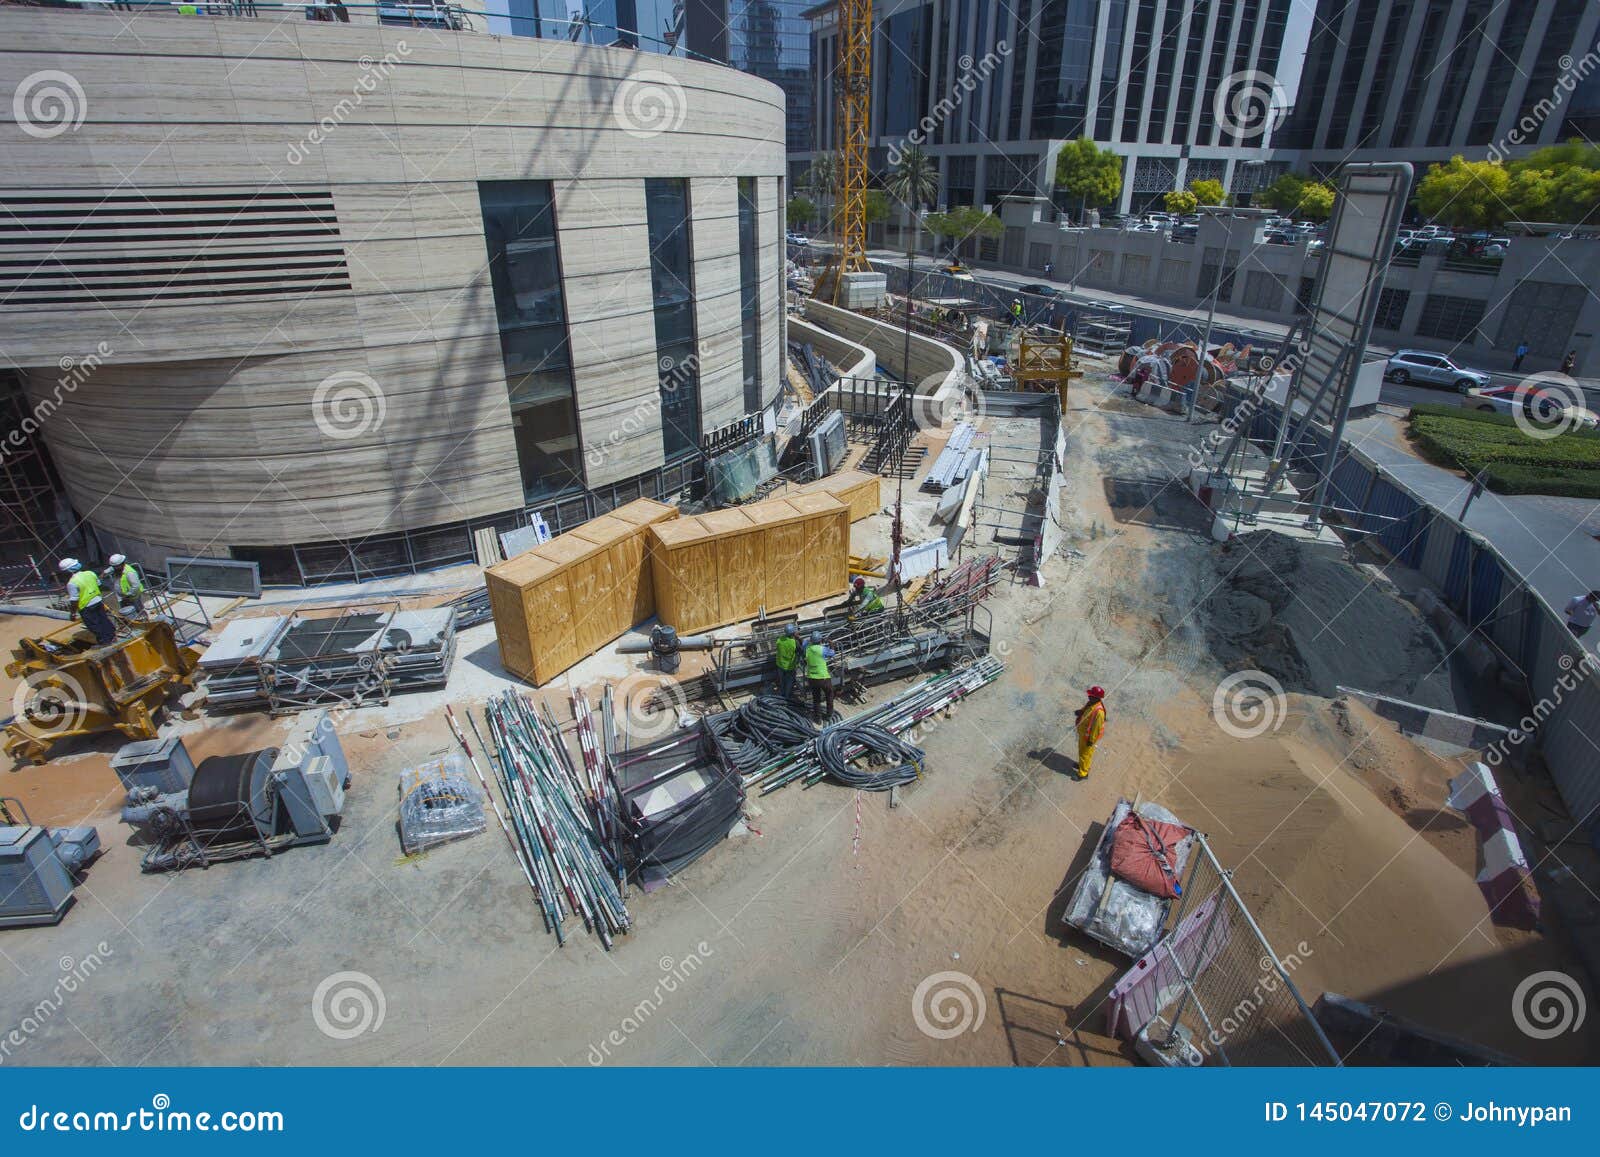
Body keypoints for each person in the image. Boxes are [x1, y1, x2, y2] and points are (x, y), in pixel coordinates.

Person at [59, 558, 115, 646]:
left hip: (86, 607)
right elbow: (99, 585)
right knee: (103, 619)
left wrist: (73, 613)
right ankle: (112, 636)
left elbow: (74, 600)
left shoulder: (72, 583)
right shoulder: (90, 573)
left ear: (67, 572)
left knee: (94, 625)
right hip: (98, 601)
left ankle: (105, 642)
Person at [1073, 686, 1106, 781]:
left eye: (1090, 695)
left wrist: (1091, 740)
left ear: (1096, 698)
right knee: (1082, 752)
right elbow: (1085, 711)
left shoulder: (1099, 712)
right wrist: (1080, 712)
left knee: (1085, 755)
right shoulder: (1091, 703)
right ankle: (1081, 765)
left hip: (1088, 738)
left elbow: (1096, 728)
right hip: (1083, 734)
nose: (1088, 696)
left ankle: (1083, 773)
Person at [803, 632, 836, 722]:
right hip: (823, 678)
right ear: (820, 640)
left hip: (812, 678)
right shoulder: (822, 649)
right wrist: (832, 645)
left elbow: (804, 642)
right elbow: (832, 653)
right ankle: (829, 715)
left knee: (816, 698)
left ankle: (818, 718)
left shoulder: (807, 648)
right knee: (829, 695)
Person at [773, 623, 799, 700]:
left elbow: (777, 647)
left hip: (780, 665)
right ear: (793, 633)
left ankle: (782, 693)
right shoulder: (794, 642)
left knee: (782, 681)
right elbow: (800, 650)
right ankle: (786, 697)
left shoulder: (779, 639)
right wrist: (798, 638)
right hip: (790, 667)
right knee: (789, 682)